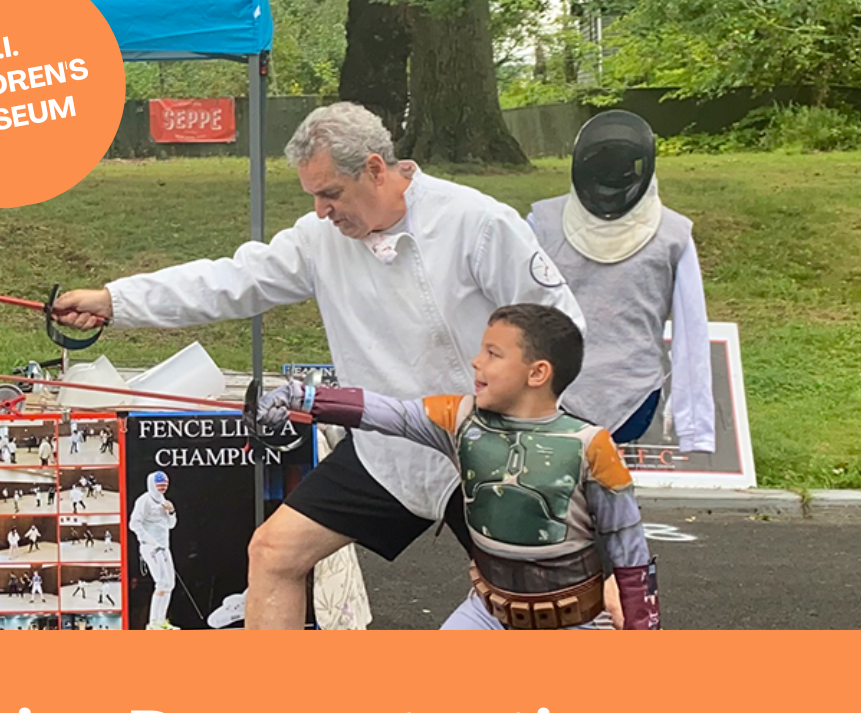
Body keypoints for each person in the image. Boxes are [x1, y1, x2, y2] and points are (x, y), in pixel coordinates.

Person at [52, 101, 584, 631]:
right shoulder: (317, 238)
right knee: (273, 552)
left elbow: (561, 331)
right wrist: (113, 300)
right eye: (313, 195)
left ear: (376, 169)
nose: (322, 210)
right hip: (386, 450)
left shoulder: (478, 223)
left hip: (488, 452)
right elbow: (230, 280)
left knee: (540, 603)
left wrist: (546, 446)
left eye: (331, 193)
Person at [258, 304, 660, 631]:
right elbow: (387, 412)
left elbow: (630, 552)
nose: (475, 361)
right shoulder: (459, 418)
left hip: (574, 625)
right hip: (488, 615)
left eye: (493, 354)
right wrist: (303, 396)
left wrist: (642, 628)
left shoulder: (592, 446)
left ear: (538, 373)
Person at [526, 111, 714, 452]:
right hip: (553, 395)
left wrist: (695, 429)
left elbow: (692, 333)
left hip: (632, 401)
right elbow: (513, 315)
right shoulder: (542, 224)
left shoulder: (673, 234)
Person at [129, 471, 179, 630]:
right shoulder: (144, 501)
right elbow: (134, 524)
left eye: (164, 484)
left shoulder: (164, 501)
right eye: (159, 484)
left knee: (170, 584)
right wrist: (150, 542)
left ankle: (161, 620)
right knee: (162, 583)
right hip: (151, 548)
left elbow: (170, 525)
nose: (162, 487)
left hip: (164, 547)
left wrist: (171, 512)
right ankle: (153, 622)